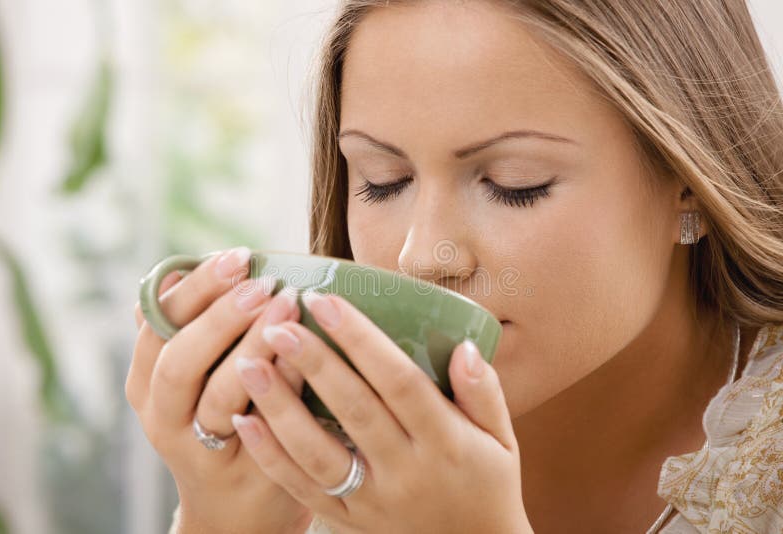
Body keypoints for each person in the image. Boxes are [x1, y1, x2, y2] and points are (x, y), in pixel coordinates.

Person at [126, 0, 783, 532]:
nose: (421, 256)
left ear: (688, 177)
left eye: (512, 183)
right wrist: (224, 520)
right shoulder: (329, 444)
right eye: (383, 181)